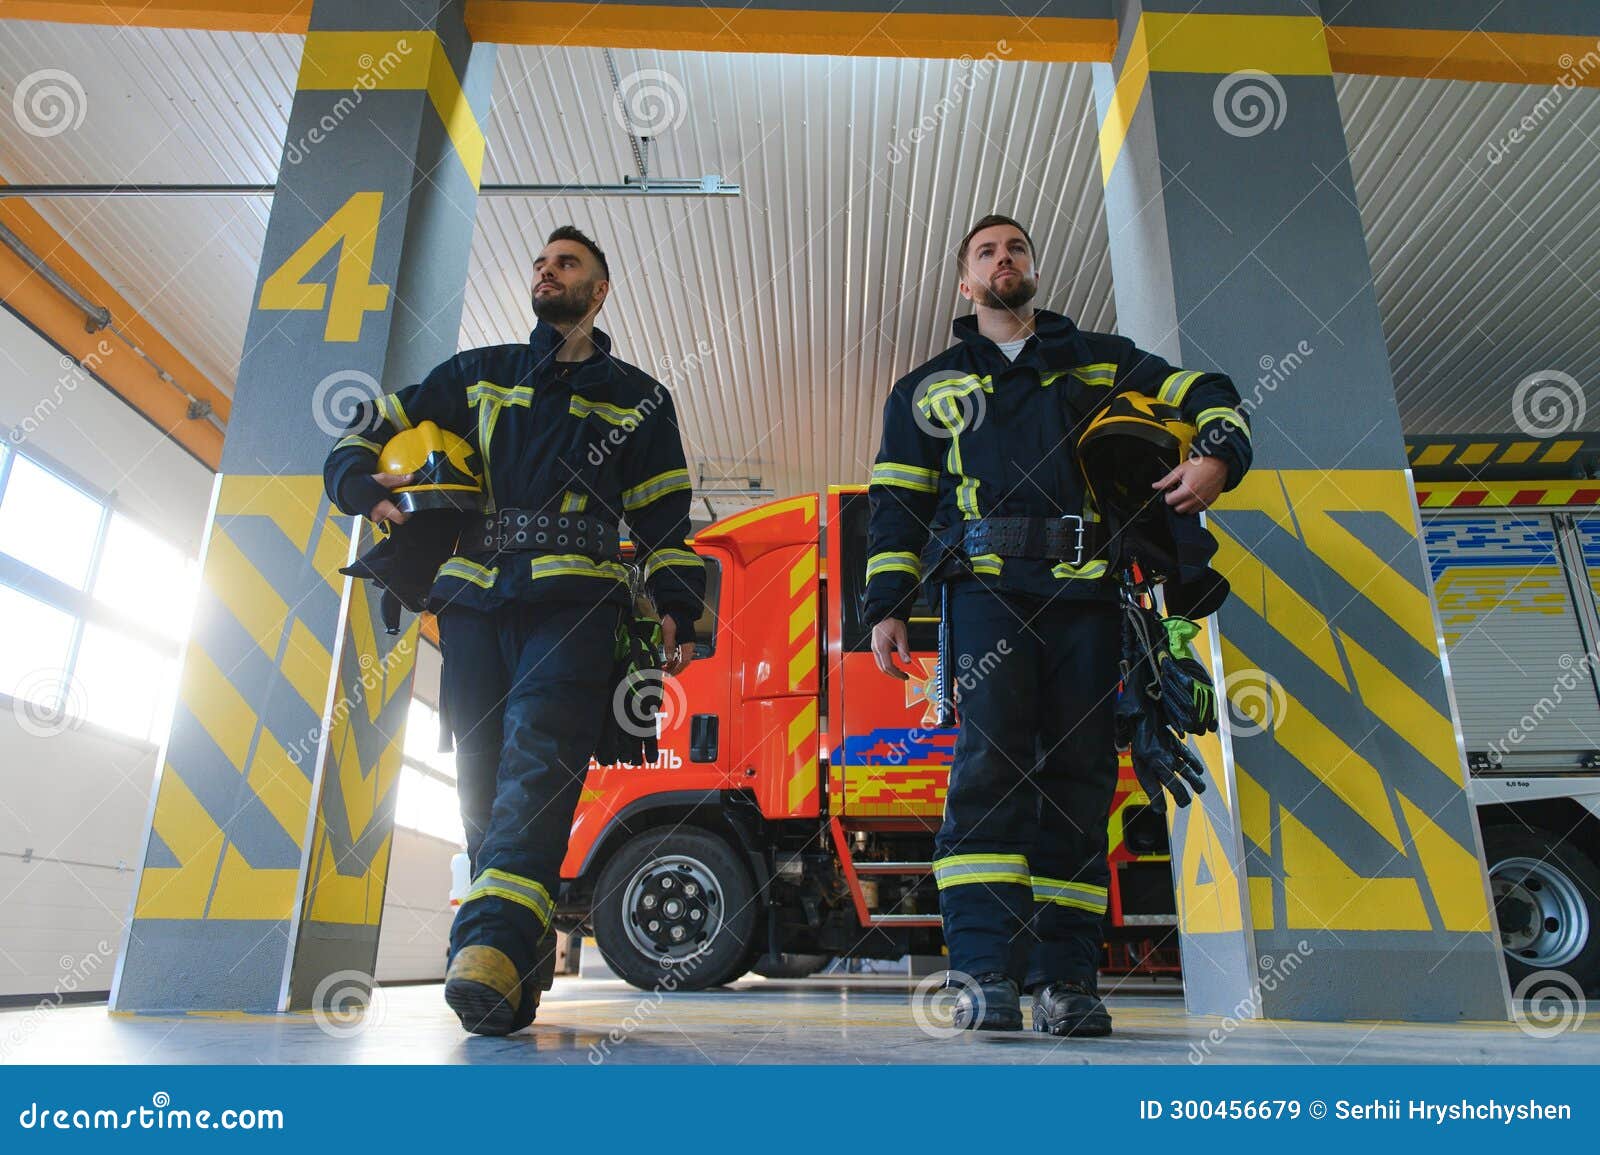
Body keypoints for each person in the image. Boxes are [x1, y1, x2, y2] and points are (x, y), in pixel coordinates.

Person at [863, 214, 1251, 1036]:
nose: (1005, 260)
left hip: (1087, 600)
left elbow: (1205, 392)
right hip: (986, 598)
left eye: (1018, 249)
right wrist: (888, 606)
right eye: (986, 252)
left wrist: (1218, 453)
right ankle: (981, 971)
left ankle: (1067, 981)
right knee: (989, 773)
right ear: (965, 285)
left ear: (1034, 270)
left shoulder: (1104, 361)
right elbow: (896, 504)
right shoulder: (927, 389)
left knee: (1080, 782)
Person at [323, 226, 705, 1036]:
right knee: (483, 787)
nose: (546, 271)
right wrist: (358, 480)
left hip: (579, 602)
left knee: (538, 766)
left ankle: (487, 941)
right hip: (473, 602)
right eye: (540, 262)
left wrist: (675, 597)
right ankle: (515, 972)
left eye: (566, 265)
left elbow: (668, 518)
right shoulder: (477, 373)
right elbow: (375, 423)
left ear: (598, 292)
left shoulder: (640, 398)